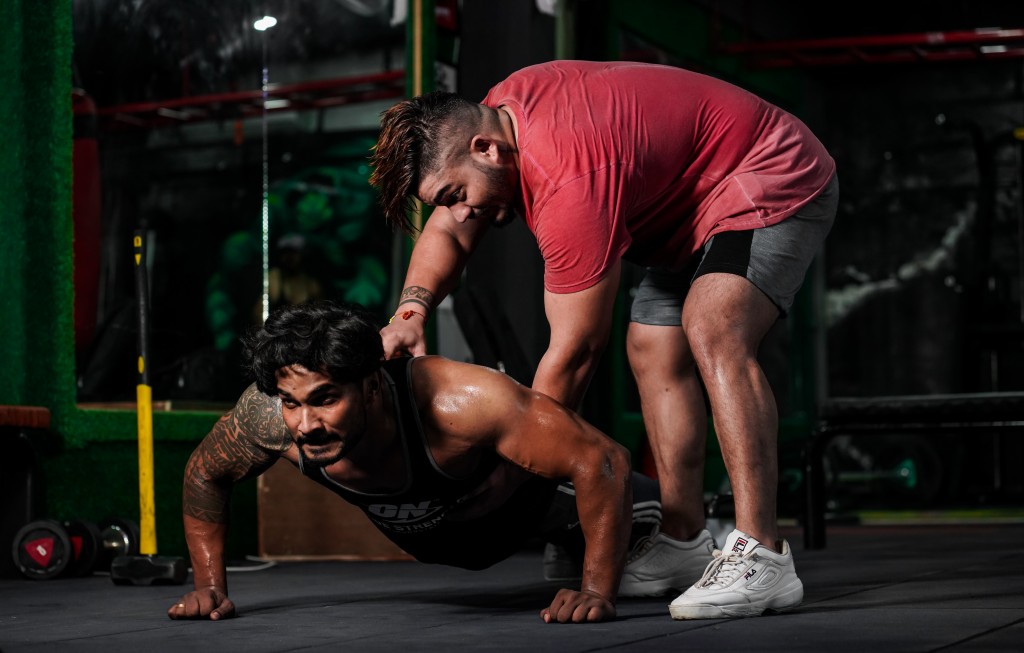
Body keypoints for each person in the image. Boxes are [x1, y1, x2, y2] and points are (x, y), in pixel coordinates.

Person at [369, 60, 838, 619]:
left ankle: (761, 553)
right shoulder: (501, 114)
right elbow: (449, 228)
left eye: (455, 192)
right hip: (688, 210)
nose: (462, 210)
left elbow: (574, 354)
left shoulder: (568, 182)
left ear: (485, 149)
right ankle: (684, 541)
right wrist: (411, 310)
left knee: (714, 327)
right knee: (651, 347)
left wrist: (516, 479)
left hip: (769, 172)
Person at [167, 300, 665, 625]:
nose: (306, 424)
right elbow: (205, 473)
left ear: (372, 384)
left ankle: (646, 534)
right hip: (450, 537)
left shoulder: (462, 402)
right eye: (293, 402)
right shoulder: (268, 417)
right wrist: (209, 587)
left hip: (529, 509)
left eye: (325, 399)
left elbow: (604, 460)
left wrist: (598, 592)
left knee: (641, 518)